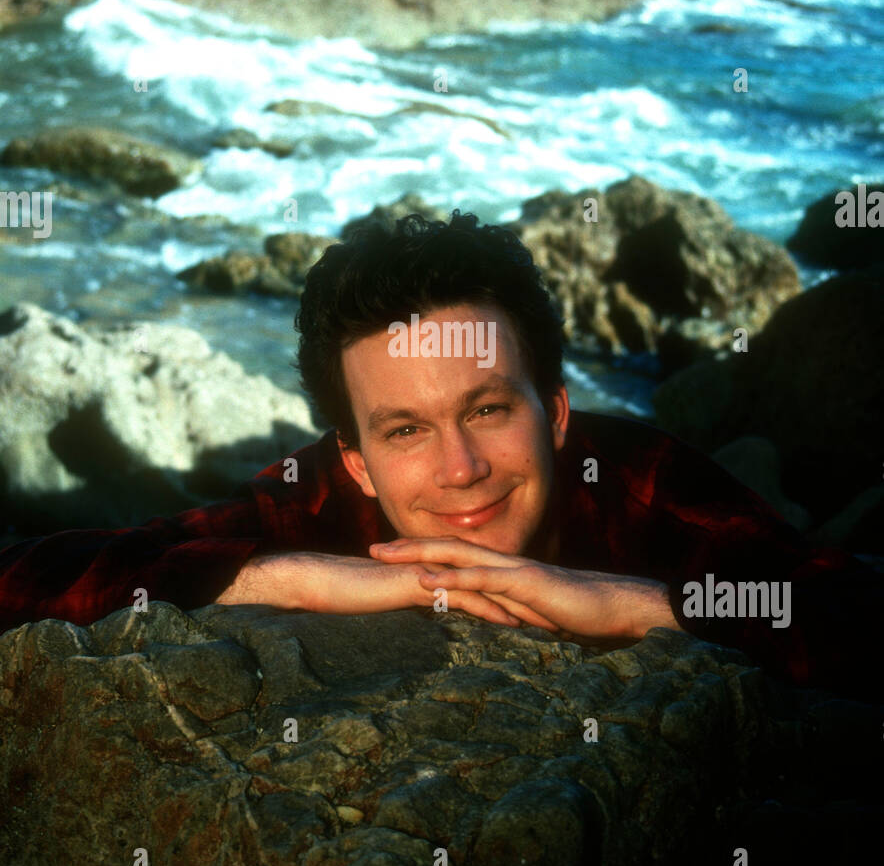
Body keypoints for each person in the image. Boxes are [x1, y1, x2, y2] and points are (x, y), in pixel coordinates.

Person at [0, 211, 880, 699]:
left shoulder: (638, 481)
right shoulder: (315, 503)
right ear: (355, 461)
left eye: (489, 408)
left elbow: (854, 615)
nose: (460, 468)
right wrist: (283, 580)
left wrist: (630, 604)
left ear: (557, 412)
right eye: (406, 430)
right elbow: (31, 580)